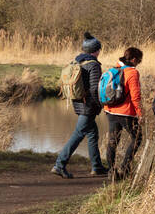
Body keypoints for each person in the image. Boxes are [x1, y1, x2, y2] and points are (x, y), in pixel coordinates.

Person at [51, 32, 108, 179]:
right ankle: (59, 164)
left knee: (92, 133)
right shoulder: (94, 65)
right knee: (78, 134)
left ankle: (97, 166)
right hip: (88, 106)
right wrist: (101, 104)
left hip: (78, 102)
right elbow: (95, 88)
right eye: (99, 49)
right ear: (96, 50)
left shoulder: (77, 61)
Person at [102, 46, 144, 179]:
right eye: (139, 61)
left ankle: (111, 172)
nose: (138, 64)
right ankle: (125, 168)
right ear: (134, 59)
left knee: (113, 141)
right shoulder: (132, 73)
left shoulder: (115, 69)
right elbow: (135, 96)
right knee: (137, 137)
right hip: (125, 113)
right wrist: (140, 113)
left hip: (110, 110)